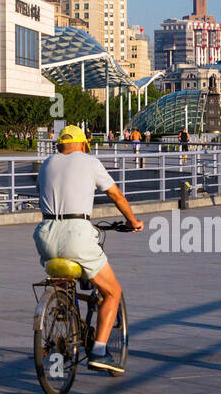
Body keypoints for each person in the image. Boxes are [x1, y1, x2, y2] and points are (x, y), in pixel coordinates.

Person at [33, 125, 143, 374]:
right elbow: (115, 195)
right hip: (78, 234)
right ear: (83, 145)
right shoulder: (90, 162)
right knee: (112, 291)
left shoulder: (46, 164)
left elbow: (43, 198)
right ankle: (100, 351)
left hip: (46, 234)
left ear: (59, 146)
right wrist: (132, 221)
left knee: (62, 274)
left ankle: (63, 309)